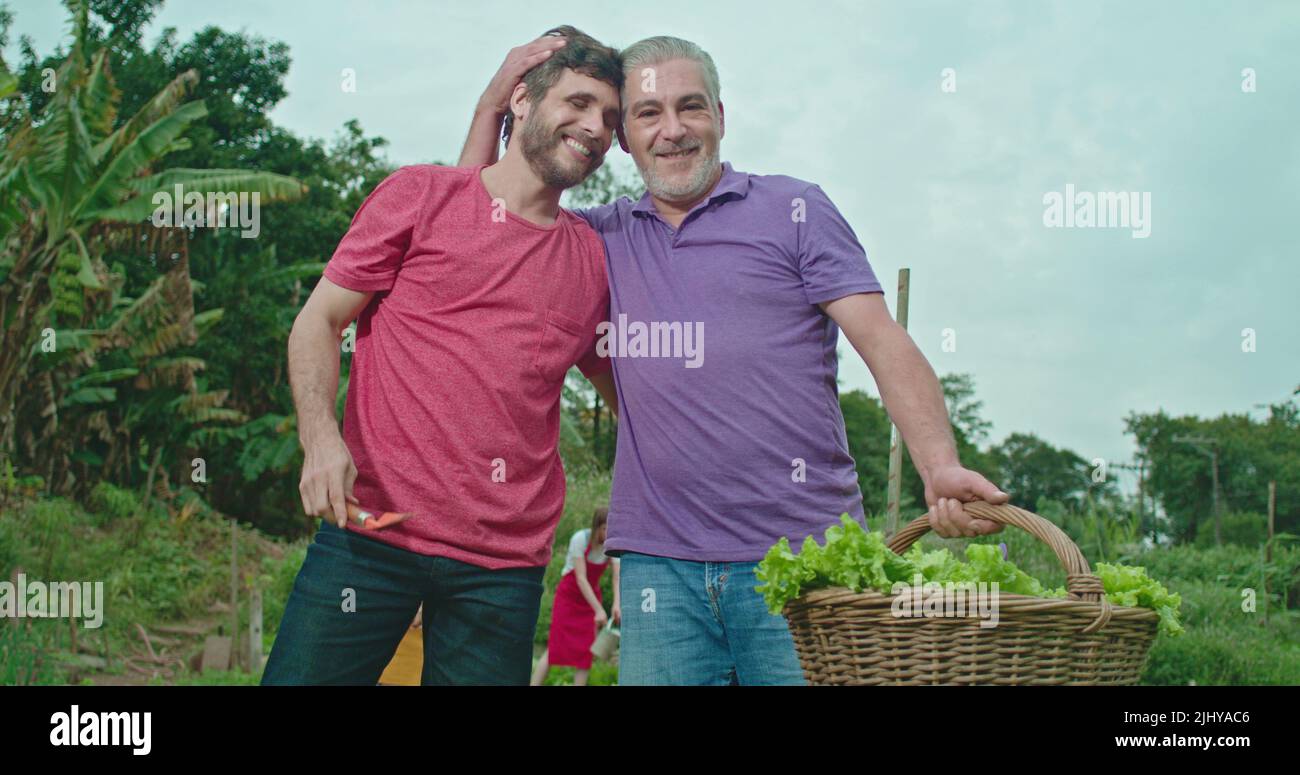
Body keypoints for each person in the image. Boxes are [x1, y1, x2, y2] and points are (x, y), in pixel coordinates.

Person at [460, 35, 1010, 685]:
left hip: (804, 561)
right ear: (623, 137)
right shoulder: (595, 238)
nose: (673, 130)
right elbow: (471, 229)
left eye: (690, 107)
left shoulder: (794, 210)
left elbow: (883, 341)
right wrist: (494, 103)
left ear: (720, 117)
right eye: (647, 113)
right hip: (659, 573)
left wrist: (939, 464)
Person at [262, 26, 622, 686]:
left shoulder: (595, 262)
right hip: (368, 537)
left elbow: (633, 399)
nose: (595, 126)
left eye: (609, 115)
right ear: (522, 100)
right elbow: (319, 321)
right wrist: (318, 438)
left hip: (502, 572)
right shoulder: (421, 197)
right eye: (577, 102)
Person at [531, 507, 621, 685]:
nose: (610, 532)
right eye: (607, 528)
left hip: (590, 601)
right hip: (569, 598)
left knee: (585, 653)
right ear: (598, 527)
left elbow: (617, 577)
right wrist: (599, 610)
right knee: (554, 648)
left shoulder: (612, 546)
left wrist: (616, 604)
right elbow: (580, 579)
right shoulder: (580, 539)